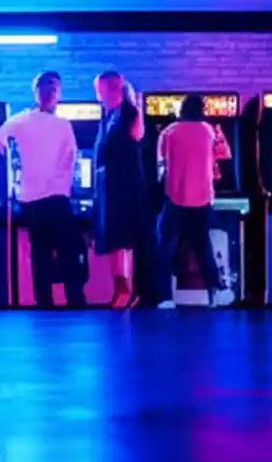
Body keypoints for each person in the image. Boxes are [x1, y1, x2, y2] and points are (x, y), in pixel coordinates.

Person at [0, 71, 87, 308]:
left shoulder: (18, 120)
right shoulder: (63, 125)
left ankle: (44, 304)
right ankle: (75, 301)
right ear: (56, 94)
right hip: (57, 197)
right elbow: (73, 159)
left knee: (41, 255)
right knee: (68, 252)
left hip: (29, 198)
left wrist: (18, 166)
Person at [156, 94, 223, 308]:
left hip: (176, 197)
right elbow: (219, 162)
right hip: (203, 199)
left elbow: (161, 168)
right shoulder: (209, 131)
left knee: (166, 247)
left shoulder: (169, 132)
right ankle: (216, 294)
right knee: (203, 247)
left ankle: (166, 298)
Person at [93, 70, 150, 309]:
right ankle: (120, 288)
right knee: (115, 241)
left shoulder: (129, 113)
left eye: (99, 89)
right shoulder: (109, 116)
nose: (96, 94)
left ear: (108, 88)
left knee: (124, 240)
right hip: (110, 187)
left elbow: (136, 136)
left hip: (125, 188)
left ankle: (127, 290)